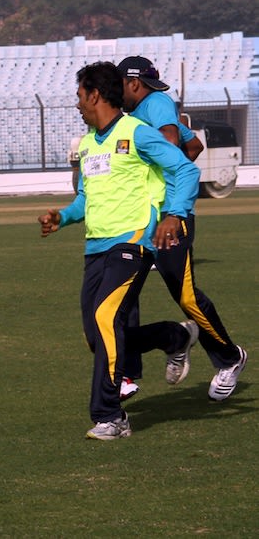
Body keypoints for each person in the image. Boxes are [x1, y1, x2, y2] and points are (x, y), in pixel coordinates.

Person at [37, 61, 202, 440]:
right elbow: (85, 200)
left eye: (80, 96)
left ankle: (110, 416)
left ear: (95, 95)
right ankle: (172, 337)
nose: (77, 105)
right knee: (96, 336)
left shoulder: (138, 133)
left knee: (106, 318)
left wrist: (174, 214)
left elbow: (185, 170)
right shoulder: (88, 144)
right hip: (96, 248)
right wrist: (61, 218)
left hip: (132, 244)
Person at [116, 56, 247, 402]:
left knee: (185, 294)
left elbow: (173, 144)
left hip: (170, 217)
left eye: (119, 84)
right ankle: (132, 370)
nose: (115, 91)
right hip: (144, 218)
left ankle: (230, 358)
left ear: (133, 84)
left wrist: (168, 186)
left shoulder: (154, 102)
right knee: (123, 294)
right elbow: (194, 146)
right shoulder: (135, 115)